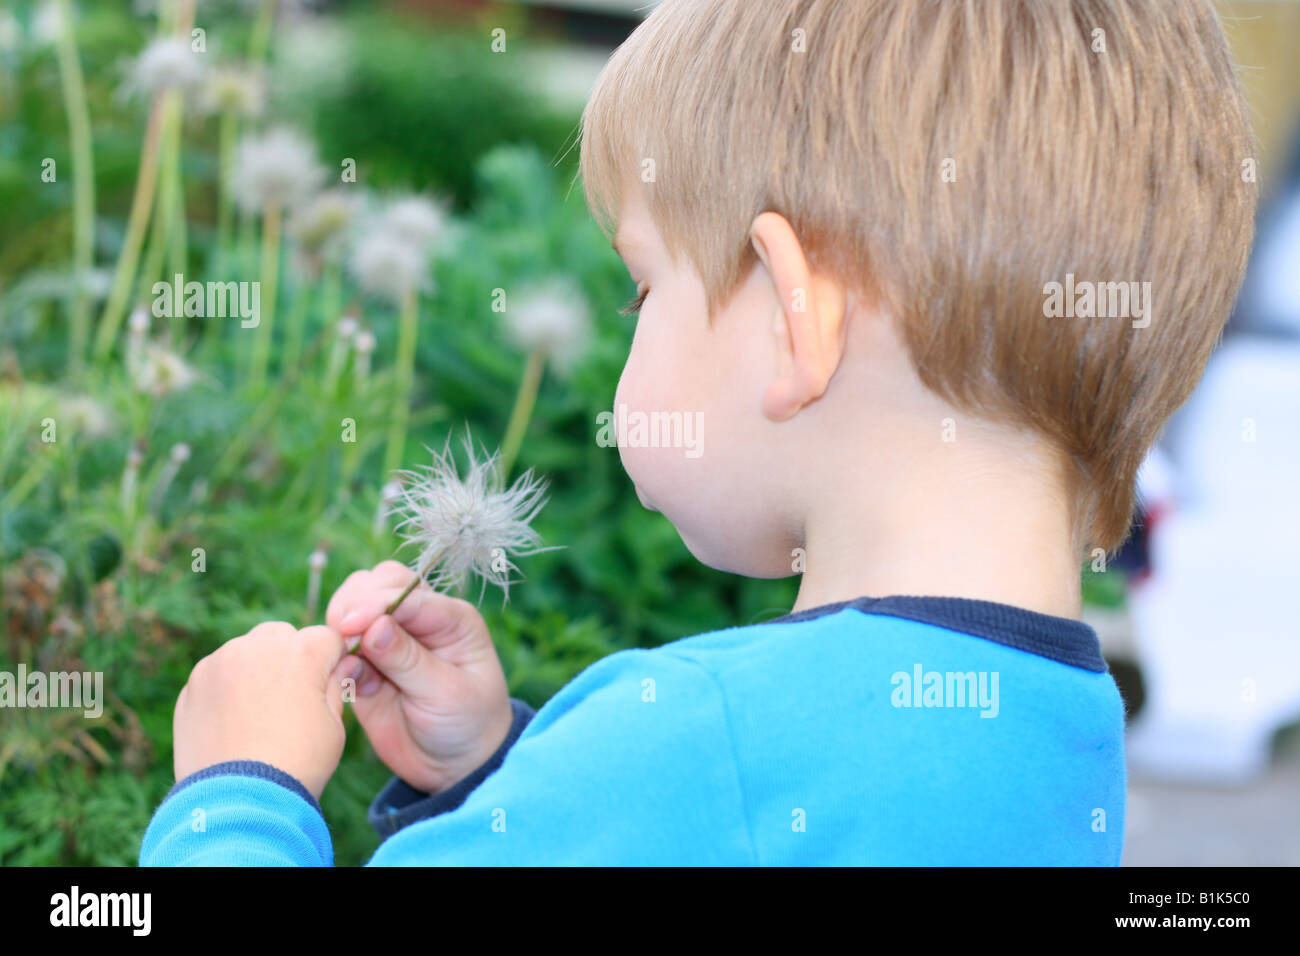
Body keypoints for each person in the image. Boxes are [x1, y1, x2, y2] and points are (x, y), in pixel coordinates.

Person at [140, 0, 1257, 865]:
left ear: (788, 317)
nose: (629, 332)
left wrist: (237, 793)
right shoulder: (1061, 722)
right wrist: (496, 780)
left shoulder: (696, 735)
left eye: (642, 288)